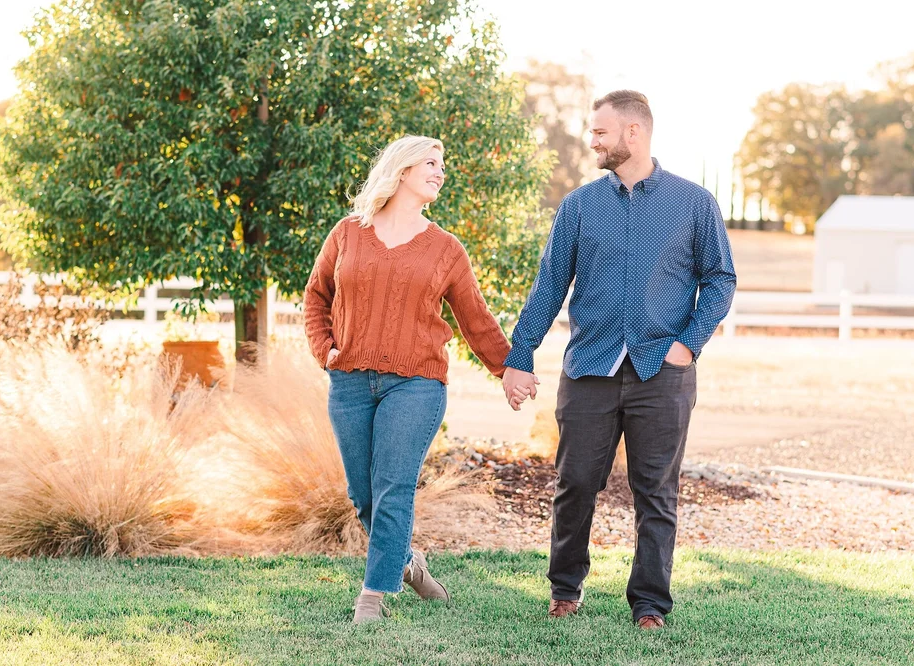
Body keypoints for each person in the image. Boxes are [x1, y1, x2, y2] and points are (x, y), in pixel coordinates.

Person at [502, 90, 737, 629]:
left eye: (600, 132)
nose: (592, 142)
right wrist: (521, 356)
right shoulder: (579, 206)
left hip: (663, 371)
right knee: (575, 483)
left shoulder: (694, 203)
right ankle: (566, 588)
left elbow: (720, 278)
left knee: (656, 492)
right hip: (590, 369)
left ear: (634, 133)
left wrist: (689, 342)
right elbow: (549, 287)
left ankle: (650, 603)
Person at [303, 135, 513, 624]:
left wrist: (509, 368)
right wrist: (325, 349)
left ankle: (372, 598)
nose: (441, 172)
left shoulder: (446, 249)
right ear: (401, 171)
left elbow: (474, 318)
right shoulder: (348, 233)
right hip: (350, 381)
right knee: (363, 496)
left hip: (417, 383)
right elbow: (316, 297)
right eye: (431, 163)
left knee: (393, 486)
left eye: (443, 165)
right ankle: (409, 565)